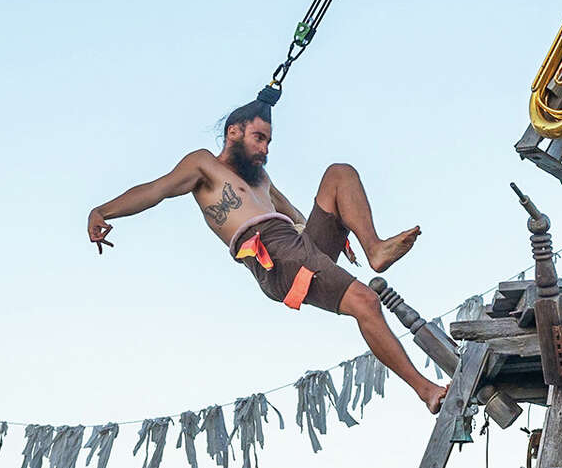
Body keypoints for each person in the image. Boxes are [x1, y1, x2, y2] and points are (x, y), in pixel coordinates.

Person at [85, 100, 450, 412]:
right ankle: (426, 389)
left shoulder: (261, 177)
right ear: (233, 132)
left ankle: (374, 247)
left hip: (298, 245)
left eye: (269, 142)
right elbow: (155, 190)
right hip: (273, 256)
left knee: (339, 174)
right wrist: (103, 210)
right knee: (365, 302)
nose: (265, 149)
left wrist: (343, 231)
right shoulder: (204, 167)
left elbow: (294, 214)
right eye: (259, 139)